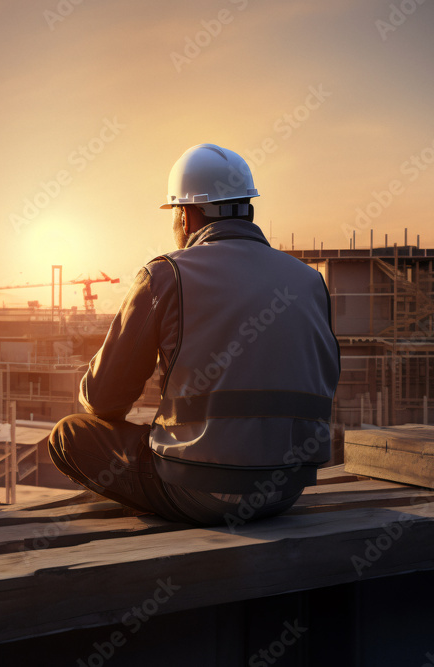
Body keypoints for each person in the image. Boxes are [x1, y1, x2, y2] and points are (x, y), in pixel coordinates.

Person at [48, 143, 340, 527]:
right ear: (248, 208)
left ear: (186, 215)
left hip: (199, 492)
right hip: (285, 491)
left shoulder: (166, 274)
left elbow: (103, 402)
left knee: (69, 434)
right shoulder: (310, 280)